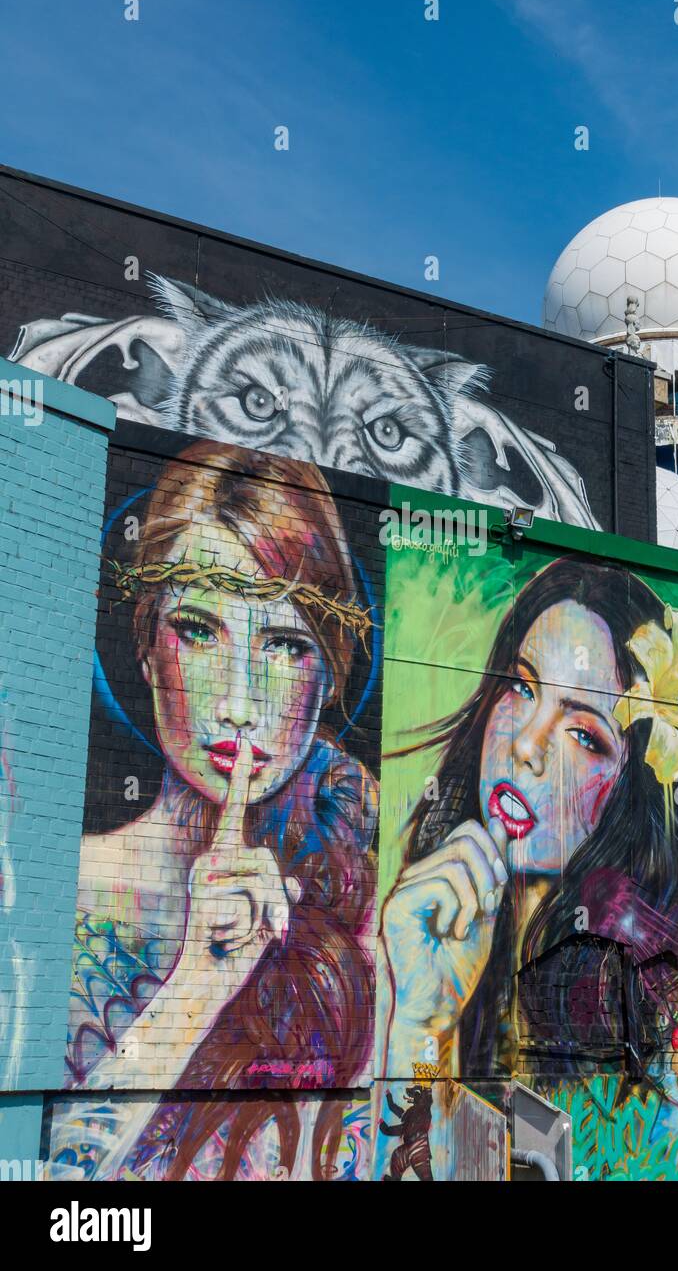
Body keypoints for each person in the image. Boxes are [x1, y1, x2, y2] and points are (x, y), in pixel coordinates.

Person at [52, 442, 377, 1181]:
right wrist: (196, 985)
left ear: (328, 676)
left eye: (287, 644)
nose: (239, 704)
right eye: (197, 632)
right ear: (144, 646)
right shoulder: (62, 895)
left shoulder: (360, 909)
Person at [379, 556, 678, 1132]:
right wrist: (421, 1029)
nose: (528, 743)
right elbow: (411, 1163)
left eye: (583, 734)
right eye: (522, 687)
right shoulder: (438, 938)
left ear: (632, 795)